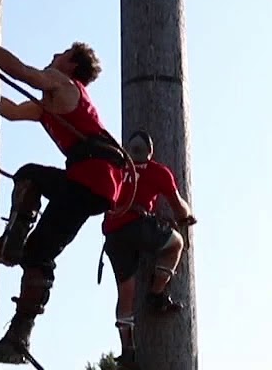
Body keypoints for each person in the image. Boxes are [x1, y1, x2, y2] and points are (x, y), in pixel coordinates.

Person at [0, 19, 127, 365]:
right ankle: (19, 336)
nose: (55, 54)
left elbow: (20, 72)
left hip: (89, 180)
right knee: (40, 253)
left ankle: (13, 244)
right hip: (96, 187)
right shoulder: (53, 102)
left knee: (30, 176)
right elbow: (14, 111)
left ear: (73, 64)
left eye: (62, 53)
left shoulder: (63, 84)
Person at [101, 131, 196, 369]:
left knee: (126, 293)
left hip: (113, 234)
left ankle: (128, 351)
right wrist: (188, 216)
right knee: (176, 243)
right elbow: (179, 209)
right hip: (138, 225)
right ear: (150, 152)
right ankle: (156, 294)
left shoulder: (117, 168)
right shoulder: (157, 171)